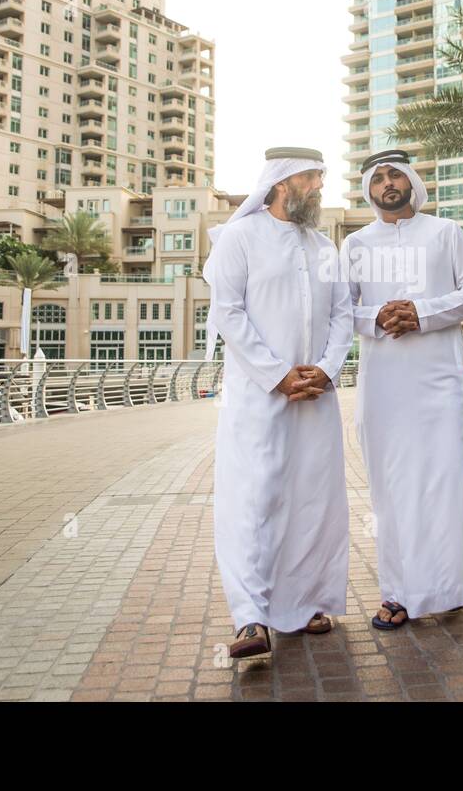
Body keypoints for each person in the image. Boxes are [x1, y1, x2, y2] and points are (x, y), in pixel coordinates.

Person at [202, 147, 354, 660]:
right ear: (283, 182)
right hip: (257, 394)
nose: (319, 187)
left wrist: (325, 369)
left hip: (315, 393)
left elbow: (342, 316)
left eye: (320, 177)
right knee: (254, 498)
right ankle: (251, 617)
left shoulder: (324, 248)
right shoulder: (239, 239)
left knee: (314, 499)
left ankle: (307, 601)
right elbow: (228, 314)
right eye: (312, 177)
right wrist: (277, 375)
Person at [340, 149, 463, 631]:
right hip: (384, 387)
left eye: (394, 175)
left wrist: (422, 313)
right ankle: (398, 594)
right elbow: (342, 311)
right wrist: (379, 317)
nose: (387, 183)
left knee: (448, 479)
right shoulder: (356, 244)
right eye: (378, 177)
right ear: (368, 189)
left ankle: (446, 587)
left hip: (439, 382)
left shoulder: (445, 232)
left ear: (411, 182)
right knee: (393, 488)